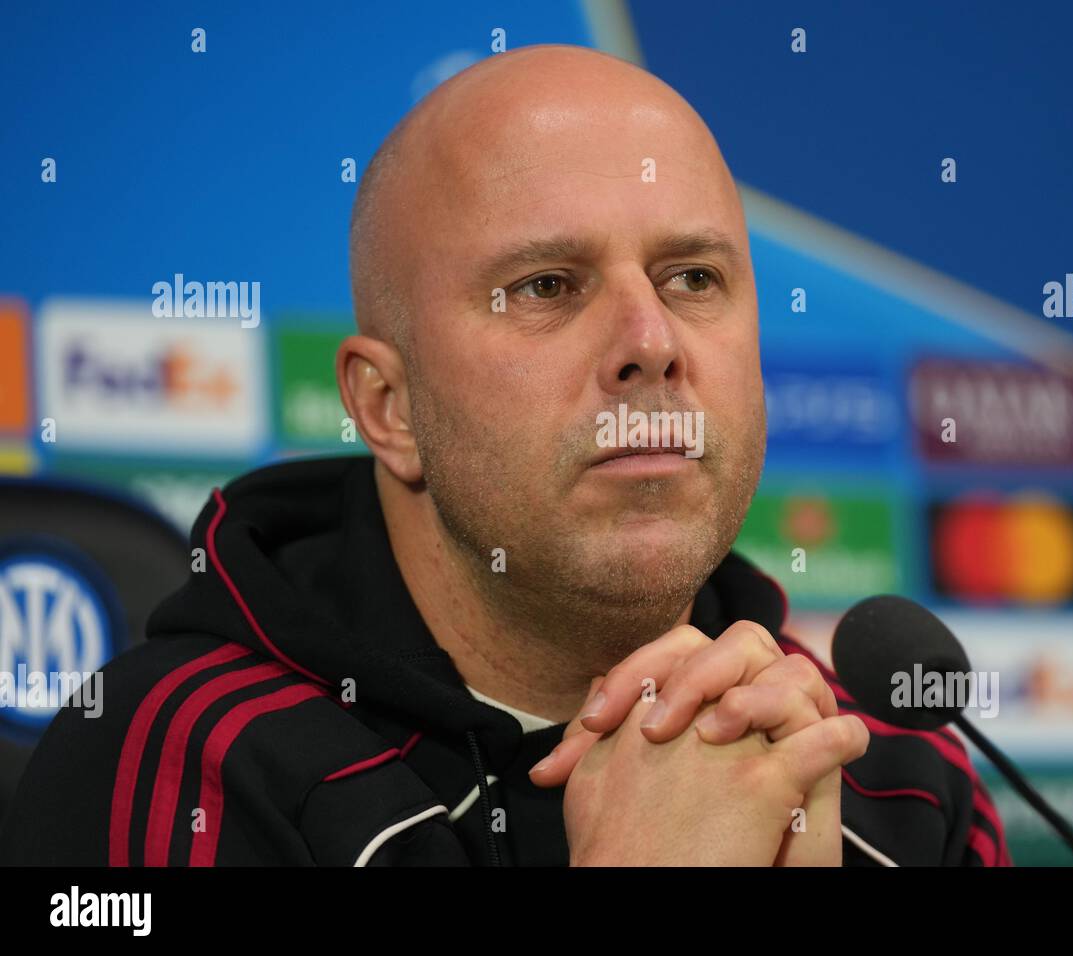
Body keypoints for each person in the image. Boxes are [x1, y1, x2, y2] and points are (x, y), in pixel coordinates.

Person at [0, 43, 1008, 866]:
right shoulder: (180, 763)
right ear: (387, 407)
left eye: (692, 276)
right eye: (545, 287)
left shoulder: (898, 781)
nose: (650, 343)